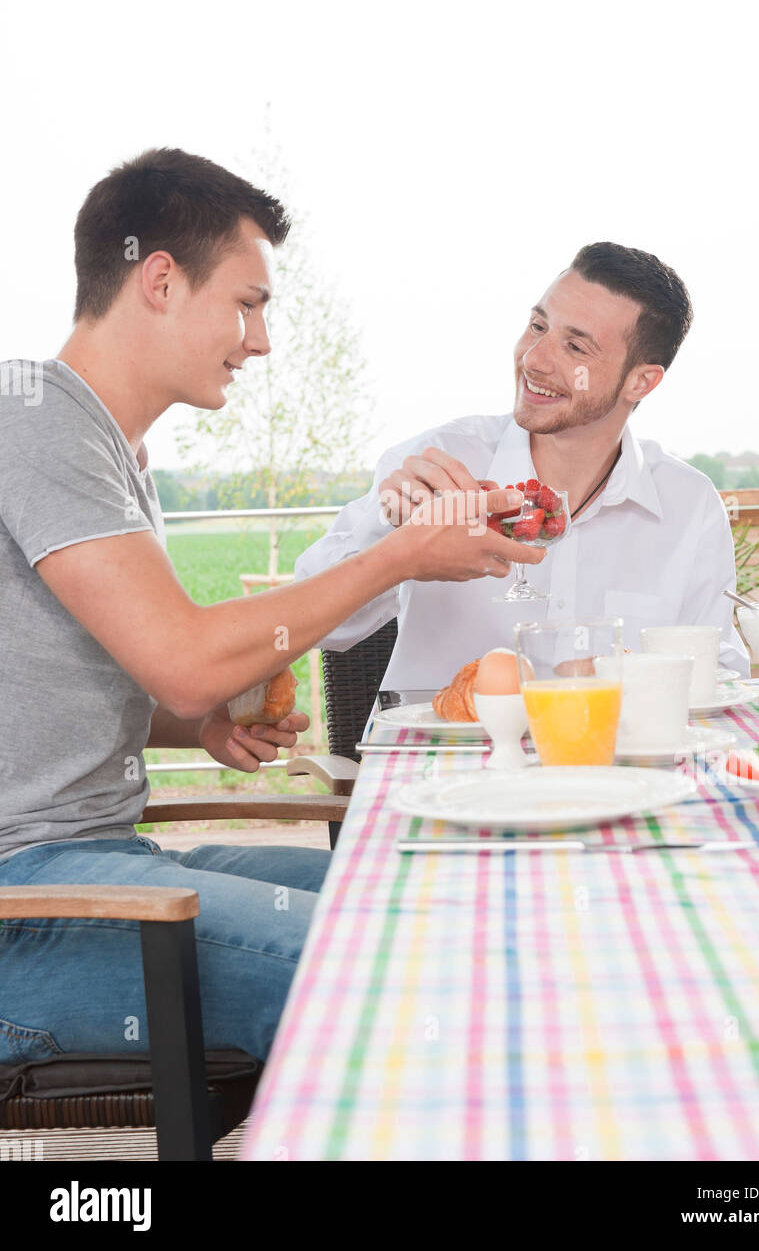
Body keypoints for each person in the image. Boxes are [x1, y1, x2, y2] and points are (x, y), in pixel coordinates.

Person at [0, 148, 539, 1065]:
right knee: (404, 976)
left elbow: (80, 686)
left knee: (433, 898)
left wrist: (193, 726)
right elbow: (185, 655)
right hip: (33, 909)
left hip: (100, 866)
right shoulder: (33, 416)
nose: (261, 340)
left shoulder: (110, 448)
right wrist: (399, 554)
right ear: (160, 280)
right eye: (248, 304)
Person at [296, 242, 749, 687]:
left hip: (614, 757)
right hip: (442, 757)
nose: (533, 360)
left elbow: (720, 672)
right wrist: (391, 533)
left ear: (641, 381)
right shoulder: (437, 462)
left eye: (575, 347)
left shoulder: (689, 505)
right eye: (537, 326)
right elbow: (314, 629)